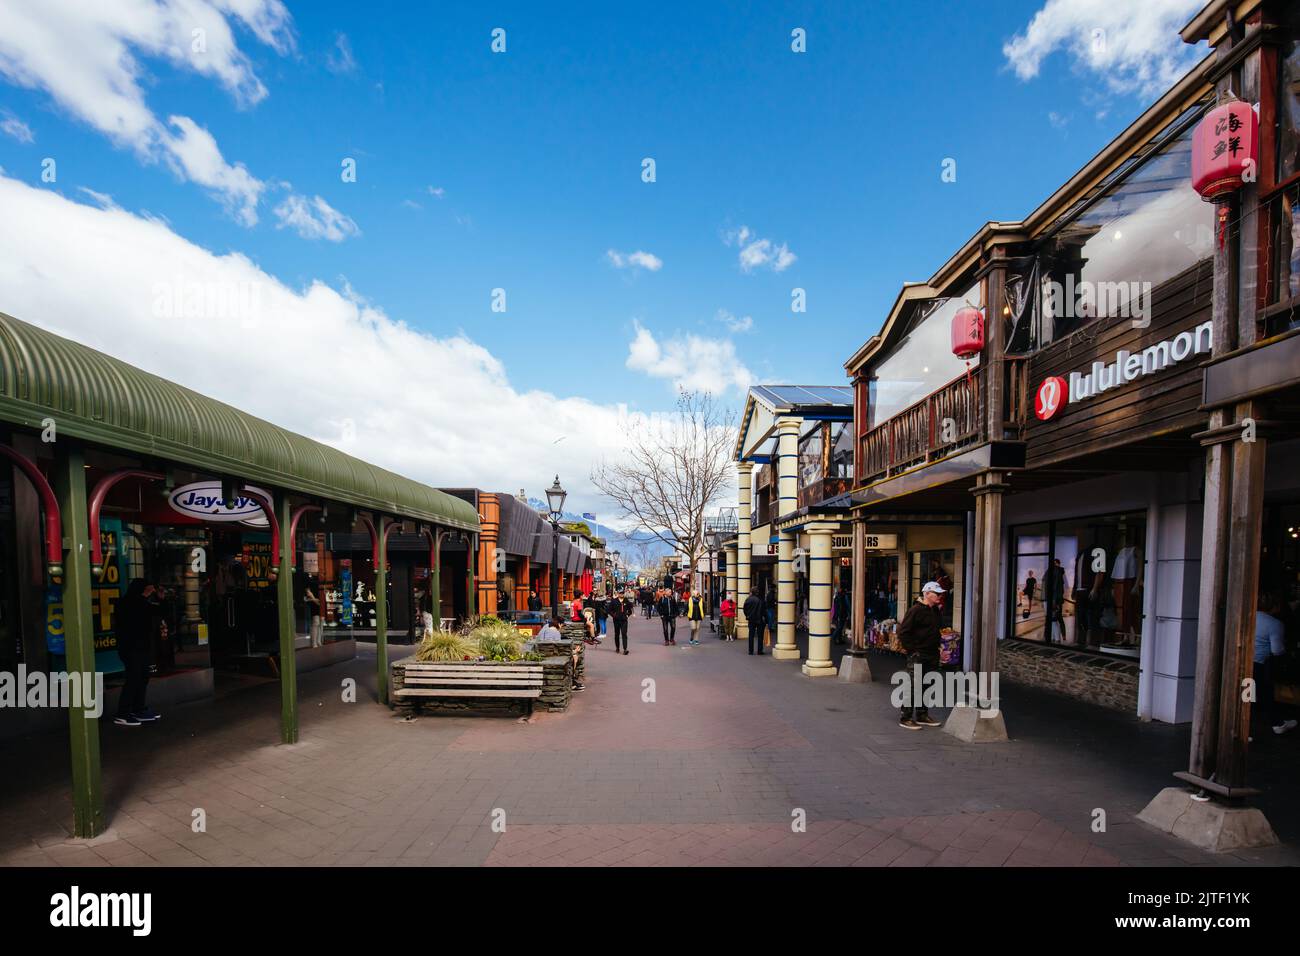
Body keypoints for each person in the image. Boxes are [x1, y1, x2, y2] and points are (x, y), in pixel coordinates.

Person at [114, 579, 164, 726]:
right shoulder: (127, 603)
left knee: (143, 677)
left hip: (141, 647)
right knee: (133, 678)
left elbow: (159, 611)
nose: (150, 592)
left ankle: (138, 709)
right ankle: (123, 713)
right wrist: (150, 597)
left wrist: (160, 599)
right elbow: (141, 609)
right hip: (130, 648)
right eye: (147, 589)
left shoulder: (141, 603)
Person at [897, 582, 945, 730]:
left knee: (927, 685)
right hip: (918, 654)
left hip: (932, 653)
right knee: (913, 686)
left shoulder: (935, 610)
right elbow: (903, 632)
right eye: (937, 593)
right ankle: (906, 717)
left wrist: (939, 646)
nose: (939, 596)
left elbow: (935, 630)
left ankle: (922, 715)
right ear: (927, 594)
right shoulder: (915, 610)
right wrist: (912, 651)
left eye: (940, 593)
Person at [1255, 592, 1297, 736]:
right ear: (1275, 606)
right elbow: (1277, 650)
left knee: (1246, 694)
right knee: (1266, 693)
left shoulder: (1248, 616)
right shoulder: (1275, 624)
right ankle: (1277, 723)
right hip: (1260, 664)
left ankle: (1246, 729)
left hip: (1244, 661)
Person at [743, 587, 765, 655]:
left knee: (751, 635)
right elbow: (763, 610)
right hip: (759, 619)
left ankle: (750, 651)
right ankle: (759, 650)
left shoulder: (748, 599)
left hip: (751, 619)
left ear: (751, 592)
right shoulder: (760, 600)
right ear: (757, 592)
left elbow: (744, 609)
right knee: (760, 636)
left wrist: (747, 615)